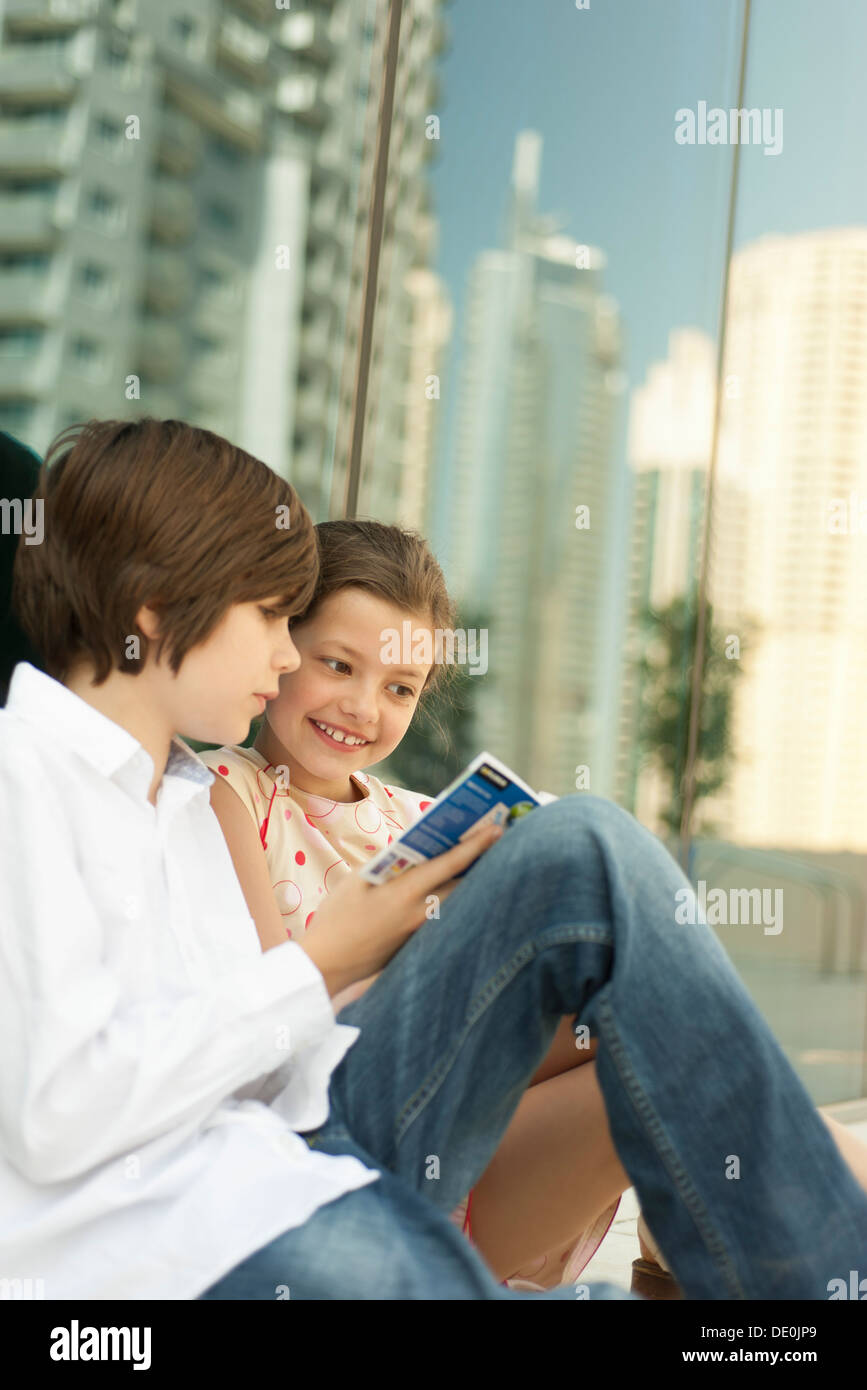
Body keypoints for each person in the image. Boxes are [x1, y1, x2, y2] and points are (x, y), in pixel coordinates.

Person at [3, 416, 867, 1302]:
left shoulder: (181, 802)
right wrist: (323, 960)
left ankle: (823, 1282)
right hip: (211, 1214)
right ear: (154, 608)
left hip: (294, 1141)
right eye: (269, 615)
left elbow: (263, 1078)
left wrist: (452, 978)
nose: (281, 649)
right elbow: (57, 1114)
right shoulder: (25, 782)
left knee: (581, 846)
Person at [200, 518, 627, 1292]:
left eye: (400, 688)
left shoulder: (424, 820)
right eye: (338, 665)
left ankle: (700, 1241)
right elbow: (271, 1009)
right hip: (352, 1137)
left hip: (474, 1140)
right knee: (633, 979)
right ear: (279, 647)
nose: (364, 707)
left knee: (633, 1036)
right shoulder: (232, 796)